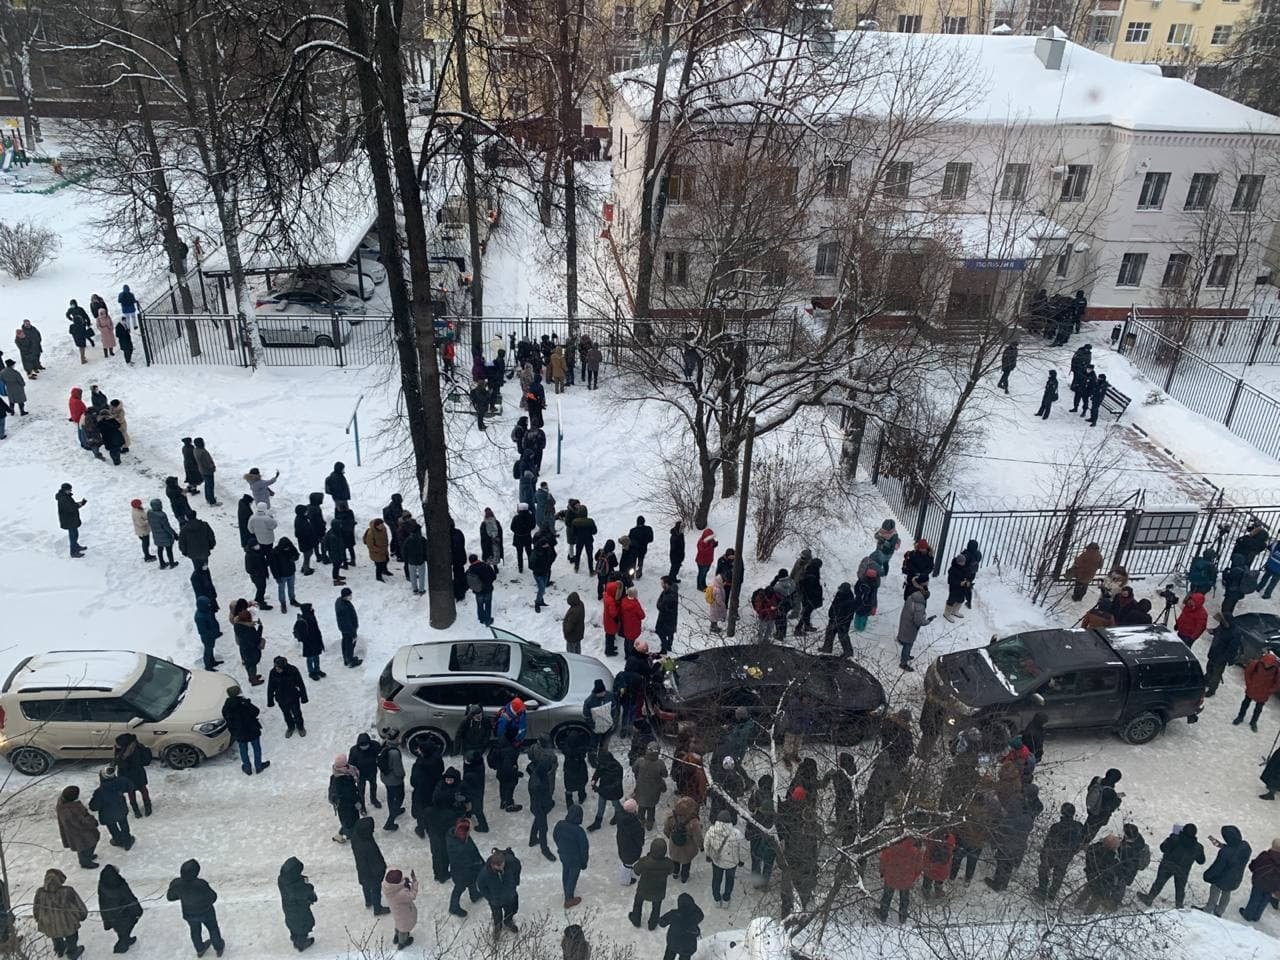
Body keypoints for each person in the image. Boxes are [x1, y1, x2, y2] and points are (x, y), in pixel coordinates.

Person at [1138, 823, 1206, 908]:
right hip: (1183, 870)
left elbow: (1162, 848)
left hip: (1167, 865)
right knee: (1180, 888)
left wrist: (1170, 839)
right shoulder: (1198, 847)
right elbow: (1201, 861)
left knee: (1159, 883)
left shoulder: (1174, 838)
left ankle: (1149, 898)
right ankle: (1179, 905)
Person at [167, 859, 224, 957]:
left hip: (189, 914)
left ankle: (200, 949)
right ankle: (218, 947)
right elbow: (213, 897)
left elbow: (170, 897)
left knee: (195, 931)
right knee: (213, 929)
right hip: (206, 911)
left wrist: (181, 896)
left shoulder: (176, 883)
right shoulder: (201, 884)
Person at [1036, 802, 1086, 900]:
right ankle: (1052, 895)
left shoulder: (1056, 827)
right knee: (1059, 875)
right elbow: (1081, 841)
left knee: (1043, 869)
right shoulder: (1079, 826)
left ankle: (1042, 891)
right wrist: (1072, 851)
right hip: (1067, 855)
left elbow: (1048, 842)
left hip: (1054, 853)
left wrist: (1044, 853)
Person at [33, 869, 88, 959]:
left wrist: (38, 918)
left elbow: (36, 908)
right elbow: (79, 905)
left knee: (55, 935)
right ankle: (72, 952)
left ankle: (59, 950)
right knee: (72, 936)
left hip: (49, 923)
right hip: (67, 922)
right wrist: (83, 915)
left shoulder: (40, 892)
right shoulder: (68, 890)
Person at [1201, 825, 1251, 916]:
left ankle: (1209, 909)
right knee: (1227, 893)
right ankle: (1219, 911)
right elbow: (1234, 853)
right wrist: (1224, 846)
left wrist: (1207, 875)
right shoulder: (1245, 846)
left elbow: (1217, 867)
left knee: (1215, 890)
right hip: (1235, 878)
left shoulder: (1225, 852)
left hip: (1222, 878)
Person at [703, 809, 748, 909]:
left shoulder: (711, 831)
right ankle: (726, 899)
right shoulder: (737, 834)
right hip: (732, 863)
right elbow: (743, 849)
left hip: (717, 861)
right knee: (729, 881)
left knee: (716, 880)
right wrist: (741, 860)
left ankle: (717, 899)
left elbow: (706, 845)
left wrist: (708, 855)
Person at [223, 684, 269, 775]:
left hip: (239, 732)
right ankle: (258, 766)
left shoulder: (226, 706)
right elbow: (256, 711)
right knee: (256, 748)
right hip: (252, 729)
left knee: (243, 750)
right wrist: (247, 703)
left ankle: (247, 768)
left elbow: (227, 718)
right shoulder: (244, 703)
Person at [631, 838, 675, 930]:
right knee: (656, 907)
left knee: (638, 903)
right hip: (659, 891)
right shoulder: (668, 863)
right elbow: (671, 871)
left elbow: (636, 870)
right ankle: (652, 924)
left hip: (643, 889)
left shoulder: (644, 861)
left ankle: (636, 919)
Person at [98, 864, 142, 954]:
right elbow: (130, 898)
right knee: (128, 926)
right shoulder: (120, 885)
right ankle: (122, 945)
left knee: (120, 929)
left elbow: (101, 901)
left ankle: (125, 939)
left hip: (111, 914)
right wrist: (138, 910)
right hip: (125, 913)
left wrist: (105, 918)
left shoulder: (102, 885)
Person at [878, 836, 923, 923]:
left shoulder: (891, 848)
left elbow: (883, 859)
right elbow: (919, 867)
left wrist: (883, 871)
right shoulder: (915, 851)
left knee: (887, 897)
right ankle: (902, 918)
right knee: (904, 899)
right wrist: (913, 877)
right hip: (906, 879)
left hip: (891, 877)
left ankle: (883, 915)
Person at [477, 849, 522, 936]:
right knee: (497, 916)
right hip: (496, 900)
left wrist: (515, 884)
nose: (501, 868)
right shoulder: (484, 874)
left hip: (510, 896)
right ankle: (498, 928)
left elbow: (517, 867)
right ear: (493, 865)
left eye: (502, 865)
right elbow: (481, 886)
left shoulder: (510, 863)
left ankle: (508, 922)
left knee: (511, 910)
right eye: (499, 866)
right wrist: (490, 897)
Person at [89, 765, 134, 849]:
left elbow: (93, 806)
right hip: (121, 809)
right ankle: (127, 842)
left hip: (107, 814)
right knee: (124, 825)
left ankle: (118, 840)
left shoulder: (99, 792)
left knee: (113, 828)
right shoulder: (122, 781)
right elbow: (130, 787)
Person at [554, 803, 590, 908]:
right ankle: (569, 898)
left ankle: (566, 890)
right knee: (573, 876)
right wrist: (584, 862)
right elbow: (584, 848)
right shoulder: (579, 831)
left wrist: (560, 846)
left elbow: (555, 836)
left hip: (563, 854)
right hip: (575, 858)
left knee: (565, 871)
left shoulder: (560, 824)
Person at [1233, 650, 1280, 731]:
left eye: (1269, 664)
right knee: (1245, 703)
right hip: (1252, 688)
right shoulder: (1256, 664)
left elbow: (1277, 683)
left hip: (1263, 692)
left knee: (1258, 709)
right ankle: (1240, 717)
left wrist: (1269, 691)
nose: (1267, 665)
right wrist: (1249, 684)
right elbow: (1248, 673)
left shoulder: (1276, 671)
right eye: (1266, 663)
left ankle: (1253, 722)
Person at [277, 857, 317, 952]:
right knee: (302, 924)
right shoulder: (294, 886)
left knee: (293, 924)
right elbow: (302, 892)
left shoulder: (284, 879)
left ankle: (295, 937)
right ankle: (301, 943)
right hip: (298, 909)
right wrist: (309, 889)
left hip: (289, 908)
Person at [1078, 835, 1125, 914]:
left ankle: (1079, 903)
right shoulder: (1111, 859)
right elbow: (1115, 873)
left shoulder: (1093, 848)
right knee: (1097, 897)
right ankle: (1088, 914)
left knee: (1088, 888)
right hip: (1102, 882)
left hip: (1091, 875)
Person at [56, 785, 100, 869]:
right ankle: (85, 862)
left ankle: (87, 857)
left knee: (82, 847)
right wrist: (93, 822)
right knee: (87, 846)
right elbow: (82, 822)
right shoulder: (71, 810)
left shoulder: (62, 803)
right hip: (81, 833)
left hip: (74, 833)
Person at [664, 796, 704, 884]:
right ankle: (684, 877)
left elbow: (666, 830)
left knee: (675, 860)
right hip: (687, 849)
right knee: (686, 863)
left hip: (674, 846)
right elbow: (698, 837)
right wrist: (701, 846)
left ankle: (675, 872)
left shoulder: (671, 817)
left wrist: (671, 838)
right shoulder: (694, 822)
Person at [113, 732, 153, 818]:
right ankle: (140, 808)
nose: (117, 745)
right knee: (134, 791)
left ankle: (144, 807)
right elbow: (117, 760)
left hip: (134, 773)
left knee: (138, 790)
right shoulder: (122, 748)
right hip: (131, 773)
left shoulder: (137, 748)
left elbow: (143, 760)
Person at [896, 580, 935, 670]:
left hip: (905, 622)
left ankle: (906, 656)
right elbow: (919, 622)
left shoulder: (911, 597)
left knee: (906, 642)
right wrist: (928, 620)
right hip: (910, 628)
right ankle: (903, 663)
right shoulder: (919, 606)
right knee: (908, 644)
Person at [1240, 839, 1280, 921]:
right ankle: (1256, 916)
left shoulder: (1265, 856)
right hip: (1274, 885)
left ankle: (1248, 915)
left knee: (1255, 898)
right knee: (1264, 900)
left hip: (1260, 882)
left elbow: (1253, 865)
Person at [633, 742, 668, 830]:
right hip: (654, 791)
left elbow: (634, 769)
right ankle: (649, 823)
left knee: (641, 806)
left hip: (641, 789)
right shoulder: (660, 763)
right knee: (651, 808)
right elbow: (665, 774)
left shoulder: (640, 761)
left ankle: (641, 821)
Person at [1083, 768, 1123, 842]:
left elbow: (1090, 789)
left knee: (1087, 826)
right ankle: (1083, 843)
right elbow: (1111, 807)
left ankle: (1081, 839)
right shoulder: (1110, 792)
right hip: (1099, 815)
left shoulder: (1096, 780)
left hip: (1091, 809)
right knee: (1091, 832)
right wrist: (1118, 799)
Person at [381, 868, 418, 949]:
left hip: (396, 911)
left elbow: (398, 885)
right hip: (404, 913)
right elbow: (413, 895)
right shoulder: (401, 894)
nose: (402, 879)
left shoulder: (387, 887)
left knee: (399, 924)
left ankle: (396, 937)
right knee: (404, 928)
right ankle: (402, 942)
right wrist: (414, 882)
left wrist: (404, 883)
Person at [330, 754, 363, 843]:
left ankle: (341, 835)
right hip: (347, 806)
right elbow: (349, 794)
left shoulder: (336, 774)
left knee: (348, 822)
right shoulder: (342, 778)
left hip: (344, 806)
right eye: (346, 763)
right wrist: (357, 802)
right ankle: (352, 838)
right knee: (350, 822)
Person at [350, 732, 382, 810]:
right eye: (362, 745)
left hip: (372, 772)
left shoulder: (374, 745)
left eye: (366, 745)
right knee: (361, 791)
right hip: (361, 775)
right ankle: (362, 806)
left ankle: (373, 799)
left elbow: (381, 751)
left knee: (373, 786)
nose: (364, 747)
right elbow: (351, 763)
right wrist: (354, 774)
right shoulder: (354, 750)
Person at [57, 482, 87, 558]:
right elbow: (70, 508)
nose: (70, 491)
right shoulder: (63, 498)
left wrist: (81, 503)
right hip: (68, 520)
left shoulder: (65, 496)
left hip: (71, 519)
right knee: (73, 536)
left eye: (70, 489)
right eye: (69, 489)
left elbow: (72, 506)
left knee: (75, 534)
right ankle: (73, 552)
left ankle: (76, 546)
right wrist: (80, 504)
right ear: (65, 490)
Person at [466, 553, 497, 624]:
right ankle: (488, 620)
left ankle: (481, 618)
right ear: (477, 559)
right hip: (488, 590)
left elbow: (468, 581)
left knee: (479, 605)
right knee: (488, 605)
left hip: (478, 591)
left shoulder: (470, 570)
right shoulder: (486, 566)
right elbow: (494, 577)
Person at [335, 587, 362, 667]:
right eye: (350, 595)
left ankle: (346, 659)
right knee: (350, 645)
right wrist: (353, 634)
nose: (351, 596)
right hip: (348, 629)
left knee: (345, 643)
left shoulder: (339, 600)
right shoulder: (344, 608)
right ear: (346, 596)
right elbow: (347, 623)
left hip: (343, 628)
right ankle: (350, 661)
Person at [530, 534, 554, 612]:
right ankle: (537, 603)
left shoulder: (548, 550)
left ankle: (541, 600)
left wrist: (548, 564)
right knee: (542, 589)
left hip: (545, 572)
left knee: (542, 588)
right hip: (538, 574)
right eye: (545, 545)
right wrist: (538, 568)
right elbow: (531, 565)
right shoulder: (536, 553)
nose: (547, 546)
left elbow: (552, 556)